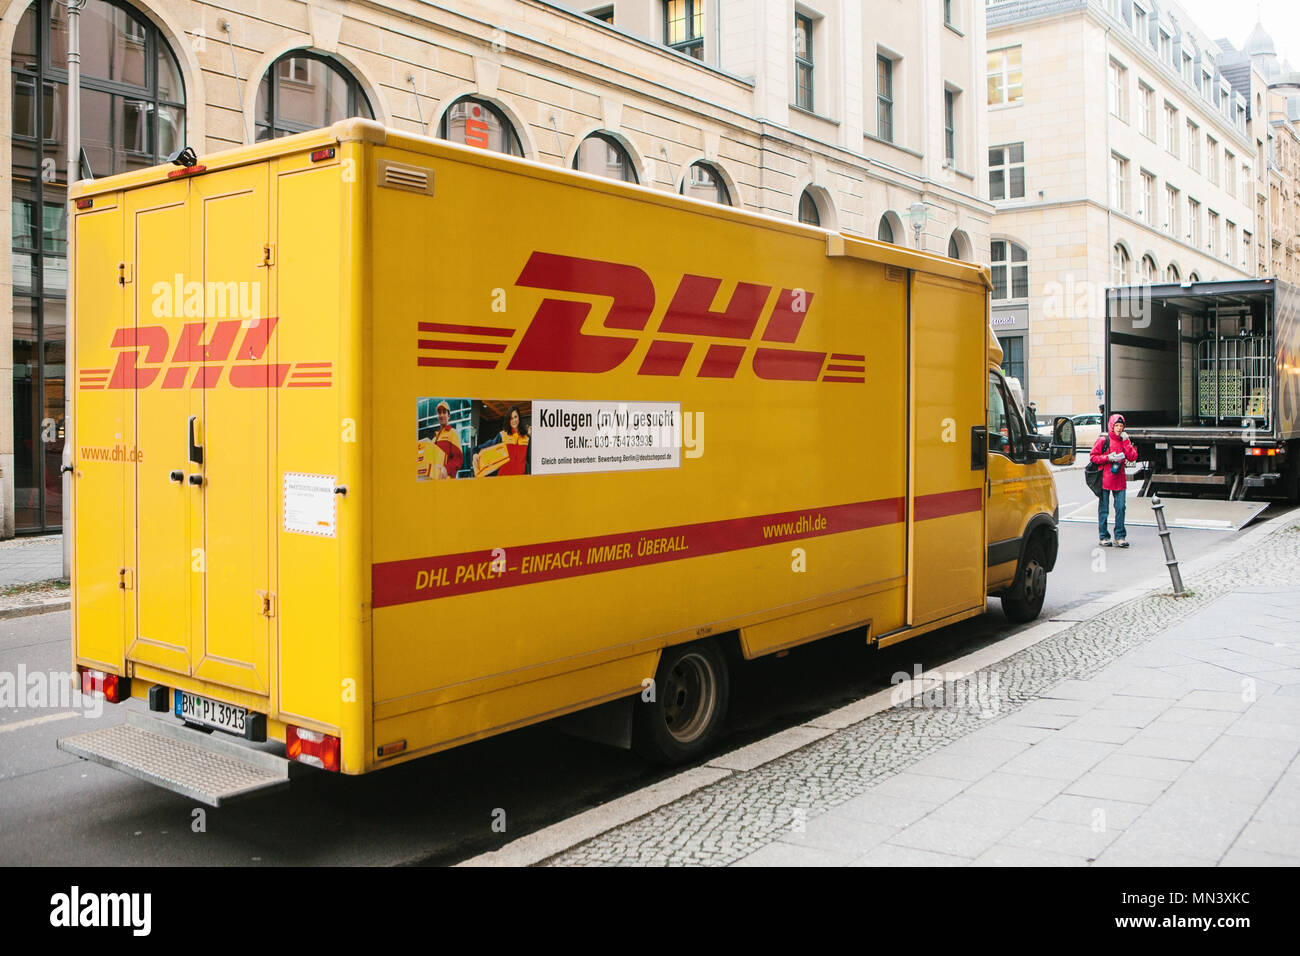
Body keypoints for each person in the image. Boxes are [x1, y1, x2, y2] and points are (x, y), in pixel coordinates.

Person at [1090, 413, 1136, 547]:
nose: (1119, 428)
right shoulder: (1104, 440)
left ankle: (1120, 536)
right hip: (1104, 479)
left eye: (1121, 426)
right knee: (1104, 509)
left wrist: (1127, 442)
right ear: (1111, 425)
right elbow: (1093, 457)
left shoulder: (1124, 440)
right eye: (1117, 425)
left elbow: (1132, 457)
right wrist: (1108, 457)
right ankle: (1104, 536)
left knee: (1121, 507)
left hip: (1119, 479)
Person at [473, 406, 530, 476]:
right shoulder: (503, 435)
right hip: (504, 477)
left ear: (519, 418)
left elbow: (528, 460)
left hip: (521, 478)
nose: (514, 420)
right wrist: (475, 451)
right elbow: (489, 444)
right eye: (511, 418)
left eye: (515, 417)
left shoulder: (526, 438)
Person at [432, 400, 464, 479]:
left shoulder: (453, 433)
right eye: (439, 413)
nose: (441, 415)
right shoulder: (434, 439)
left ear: (448, 416)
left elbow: (458, 458)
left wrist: (446, 469)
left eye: (444, 412)